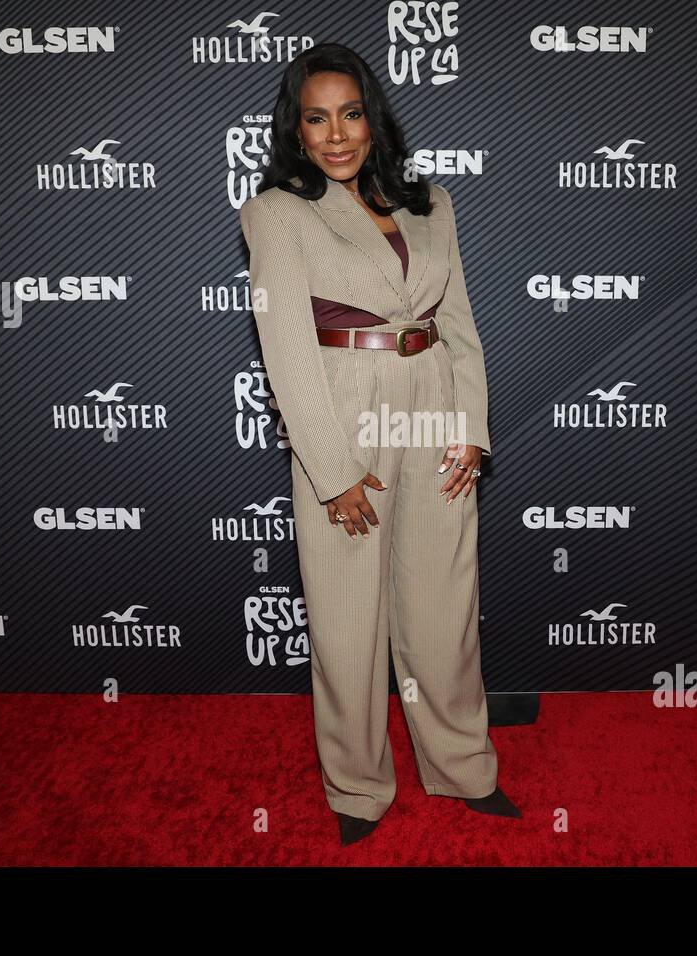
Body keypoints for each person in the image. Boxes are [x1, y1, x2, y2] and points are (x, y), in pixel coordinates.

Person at [239, 43, 519, 846]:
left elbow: (458, 323)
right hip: (345, 413)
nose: (336, 134)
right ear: (295, 129)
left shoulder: (431, 202)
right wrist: (332, 473)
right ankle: (357, 785)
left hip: (433, 403)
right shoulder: (276, 213)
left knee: (443, 605)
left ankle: (463, 763)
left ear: (374, 118)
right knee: (347, 620)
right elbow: (286, 350)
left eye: (351, 113)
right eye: (316, 117)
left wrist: (471, 426)